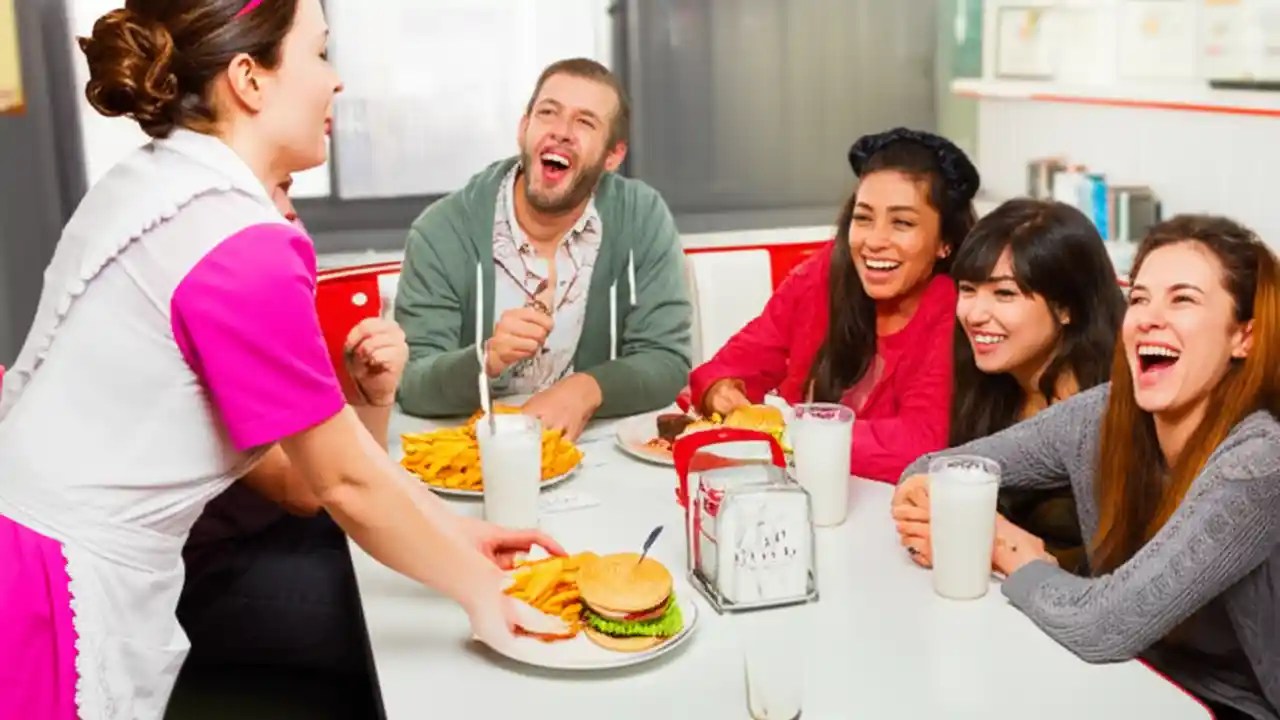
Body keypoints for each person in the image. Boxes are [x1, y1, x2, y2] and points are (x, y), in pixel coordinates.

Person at [0, 2, 562, 717]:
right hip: (51, 588)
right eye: (320, 54)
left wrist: (456, 534)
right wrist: (483, 594)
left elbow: (337, 468)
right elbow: (343, 480)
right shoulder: (239, 242)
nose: (336, 83)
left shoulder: (147, 185)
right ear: (249, 79)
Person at [893, 216, 1280, 720]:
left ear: (1243, 337)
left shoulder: (1258, 464)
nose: (1148, 317)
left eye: (1182, 299)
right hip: (1128, 679)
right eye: (1139, 298)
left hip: (1230, 706)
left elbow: (1103, 624)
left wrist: (1009, 549)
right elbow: (936, 467)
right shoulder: (1099, 414)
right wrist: (922, 494)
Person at [176, 178, 401, 684]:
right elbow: (306, 490)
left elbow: (355, 475)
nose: (289, 221)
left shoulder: (280, 308)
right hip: (217, 574)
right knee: (390, 620)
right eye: (274, 199)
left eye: (289, 203)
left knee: (401, 569)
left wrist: (372, 395)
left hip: (287, 527)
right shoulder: (213, 320)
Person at [394, 58, 692, 439]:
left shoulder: (641, 216)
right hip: (475, 453)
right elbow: (413, 383)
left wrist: (587, 389)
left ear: (613, 156)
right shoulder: (441, 231)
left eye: (585, 122)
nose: (561, 132)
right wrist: (487, 360)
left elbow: (668, 362)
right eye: (548, 113)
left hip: (595, 451)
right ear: (524, 128)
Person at [686, 127, 980, 482]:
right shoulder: (823, 275)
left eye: (902, 223)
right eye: (864, 217)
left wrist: (786, 433)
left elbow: (918, 445)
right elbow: (726, 368)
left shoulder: (956, 308)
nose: (874, 241)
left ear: (944, 242)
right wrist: (721, 392)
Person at [948, 199, 1125, 572]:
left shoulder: (1110, 410)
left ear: (1066, 307)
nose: (975, 314)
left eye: (1005, 294)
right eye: (967, 289)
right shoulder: (989, 387)